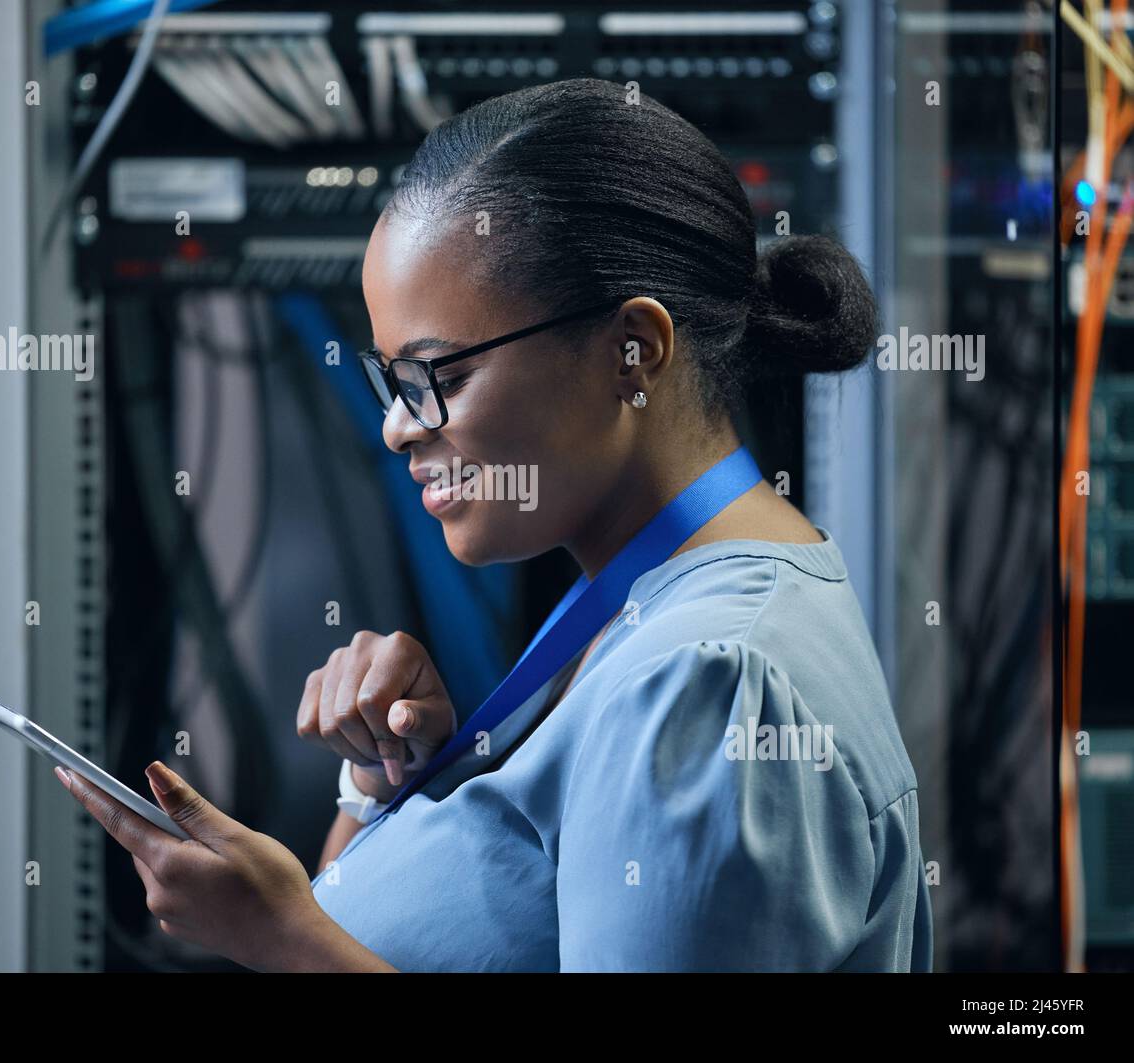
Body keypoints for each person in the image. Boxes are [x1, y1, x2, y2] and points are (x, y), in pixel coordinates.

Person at [58, 77, 933, 973]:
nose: (399, 424)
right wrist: (380, 778)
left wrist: (278, 937)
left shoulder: (705, 687)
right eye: (390, 379)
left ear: (636, 351)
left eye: (438, 375)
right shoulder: (646, 606)